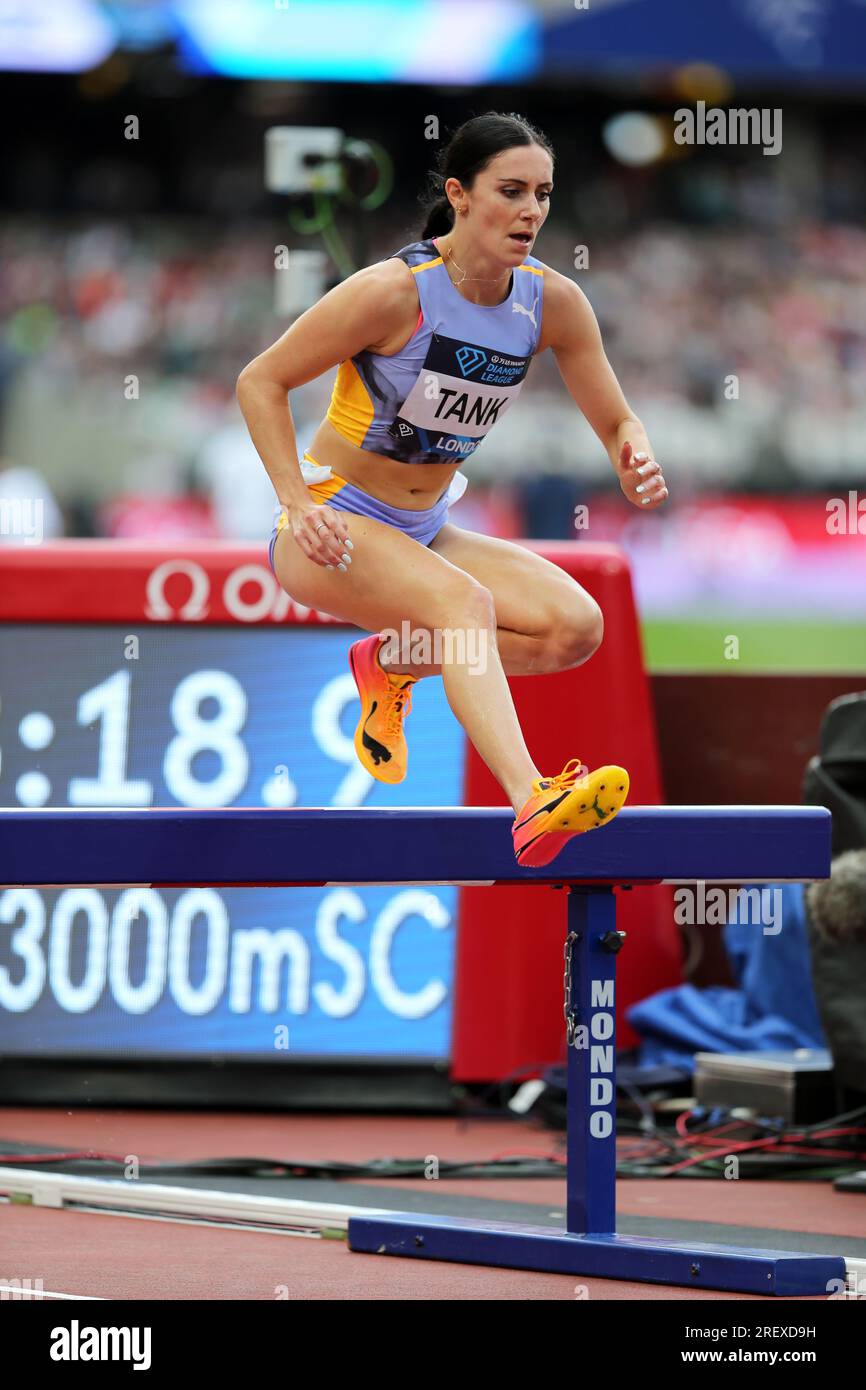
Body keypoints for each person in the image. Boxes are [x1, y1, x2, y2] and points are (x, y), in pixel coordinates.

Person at [237, 112, 668, 867]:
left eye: (543, 193)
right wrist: (295, 503)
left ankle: (394, 662)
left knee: (575, 627)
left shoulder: (552, 303)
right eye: (511, 191)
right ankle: (532, 800)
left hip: (426, 528)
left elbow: (615, 417)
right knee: (465, 605)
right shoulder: (391, 293)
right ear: (460, 196)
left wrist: (631, 449)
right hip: (332, 528)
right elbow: (259, 381)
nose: (531, 210)